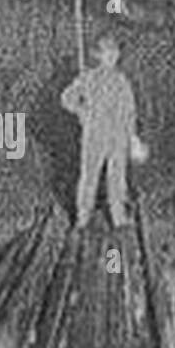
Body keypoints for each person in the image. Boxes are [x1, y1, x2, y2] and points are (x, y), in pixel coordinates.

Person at [60, 34, 146, 229]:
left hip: (118, 137)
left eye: (114, 52)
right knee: (89, 177)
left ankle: (118, 216)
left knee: (117, 179)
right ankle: (83, 217)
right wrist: (82, 111)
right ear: (99, 55)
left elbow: (129, 112)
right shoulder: (88, 78)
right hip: (95, 136)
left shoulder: (122, 81)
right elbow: (66, 99)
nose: (112, 56)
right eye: (107, 52)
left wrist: (133, 138)